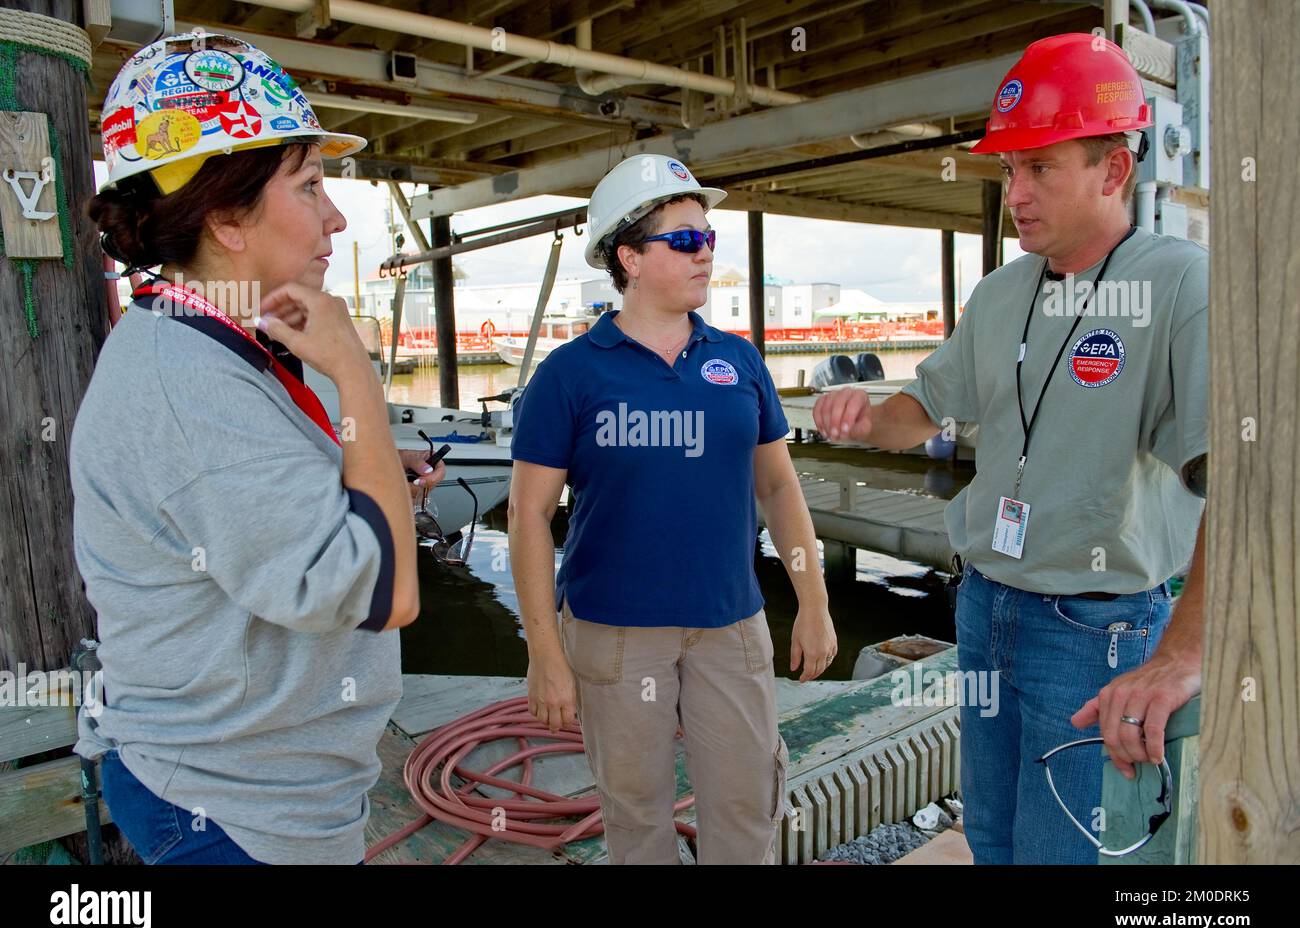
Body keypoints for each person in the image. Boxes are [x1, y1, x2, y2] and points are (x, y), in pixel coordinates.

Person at [812, 33, 1207, 864]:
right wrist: (865, 416)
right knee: (993, 836)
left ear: (1113, 168)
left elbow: (1249, 484)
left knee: (1061, 851)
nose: (1016, 194)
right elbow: (925, 408)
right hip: (986, 605)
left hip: (1095, 629)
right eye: (1008, 172)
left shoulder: (1180, 286)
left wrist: (1183, 652)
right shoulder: (1001, 293)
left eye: (1041, 168)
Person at [70, 32, 445, 865]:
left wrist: (371, 477)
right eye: (310, 185)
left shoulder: (212, 343)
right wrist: (355, 376)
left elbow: (286, 522)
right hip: (234, 817)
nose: (336, 216)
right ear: (225, 216)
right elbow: (382, 590)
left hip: (263, 795)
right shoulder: (186, 380)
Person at [508, 154, 838, 864]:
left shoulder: (739, 361)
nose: (706, 253)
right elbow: (528, 515)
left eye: (709, 237)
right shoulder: (568, 375)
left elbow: (778, 488)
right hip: (615, 636)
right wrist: (544, 652)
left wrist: (813, 600)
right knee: (635, 818)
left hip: (731, 626)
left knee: (748, 805)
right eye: (685, 240)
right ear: (628, 256)